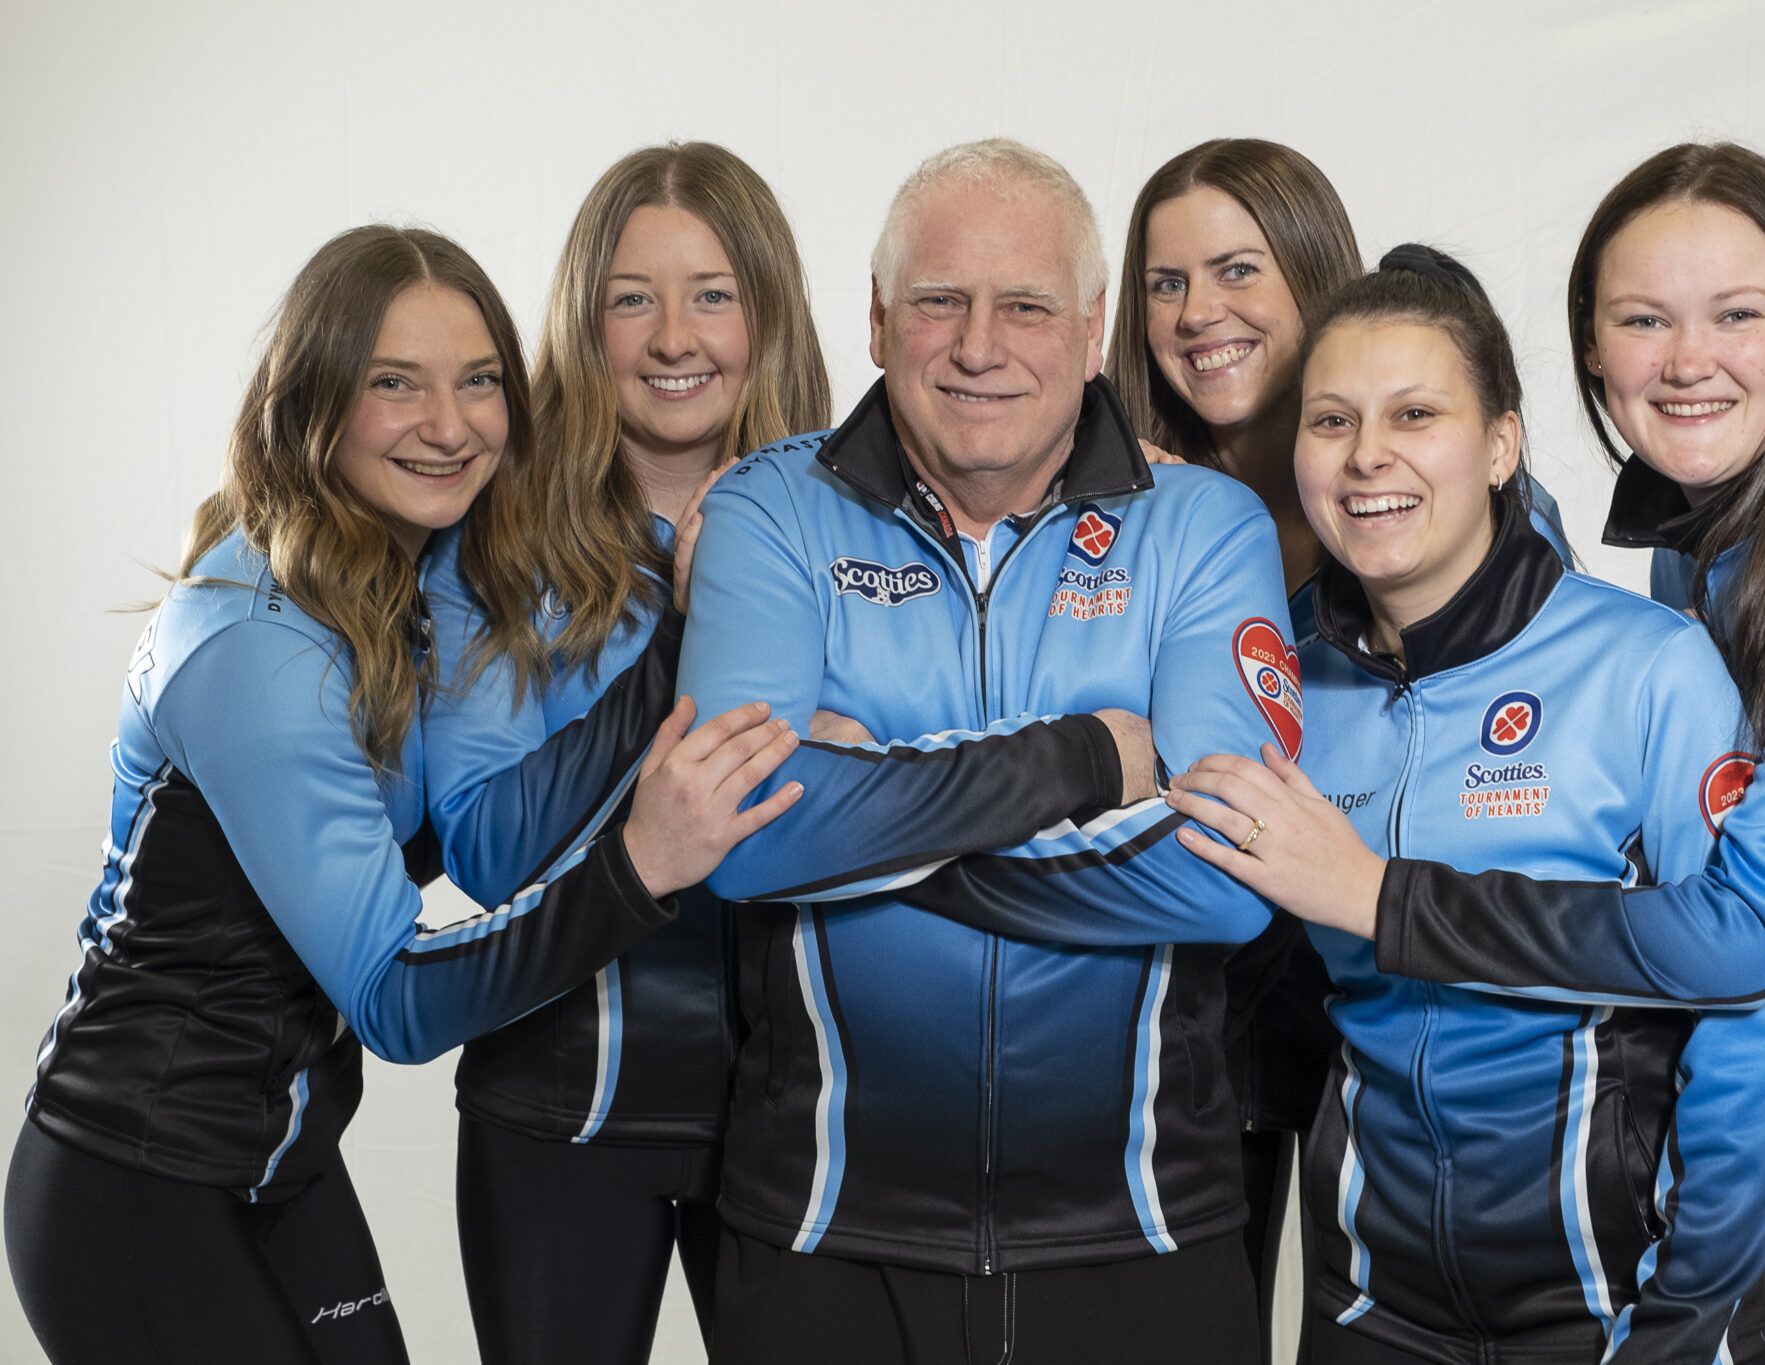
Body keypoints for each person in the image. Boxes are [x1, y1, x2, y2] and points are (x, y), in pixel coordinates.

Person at [1299, 144, 1765, 1364]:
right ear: (1588, 348)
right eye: (1642, 320)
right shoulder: (1706, 539)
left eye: (1736, 316)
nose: (1686, 361)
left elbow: (1744, 930)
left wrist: (1380, 901)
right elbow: (1497, 581)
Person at [3, 225, 801, 1365]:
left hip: (280, 1161)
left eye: (478, 382)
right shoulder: (255, 645)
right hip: (138, 1178)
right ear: (313, 402)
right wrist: (638, 865)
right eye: (395, 385)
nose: (449, 423)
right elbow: (394, 996)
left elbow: (488, 825)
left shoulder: (396, 586)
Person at [674, 138, 1303, 1364]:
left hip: (1138, 1228)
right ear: (872, 320)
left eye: (1022, 305)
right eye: (936, 303)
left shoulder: (1203, 527)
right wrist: (1082, 762)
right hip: (823, 1228)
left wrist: (866, 792)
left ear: (1090, 327)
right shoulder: (767, 507)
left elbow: (1228, 878)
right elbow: (738, 844)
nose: (978, 346)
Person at [1167, 245, 1765, 1363]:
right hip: (1371, 1304)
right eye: (1330, 421)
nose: (1367, 456)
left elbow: (1753, 1012)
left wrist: (1688, 1315)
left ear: (1501, 445)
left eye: (1414, 413)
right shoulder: (1279, 678)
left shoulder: (1646, 669)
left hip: (1613, 1303)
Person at [1105, 137, 1577, 1349]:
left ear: (1316, 277)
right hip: (1187, 1021)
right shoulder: (1115, 506)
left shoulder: (1453, 490)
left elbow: (1533, 776)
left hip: (1408, 1014)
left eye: (1236, 269)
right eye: (1165, 284)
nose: (1199, 312)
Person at [416, 142, 830, 1363]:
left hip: (793, 1114)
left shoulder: (848, 528)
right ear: (582, 323)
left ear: (765, 313)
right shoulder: (492, 546)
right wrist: (683, 642)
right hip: (557, 1117)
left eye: (712, 293)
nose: (672, 337)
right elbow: (486, 850)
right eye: (630, 299)